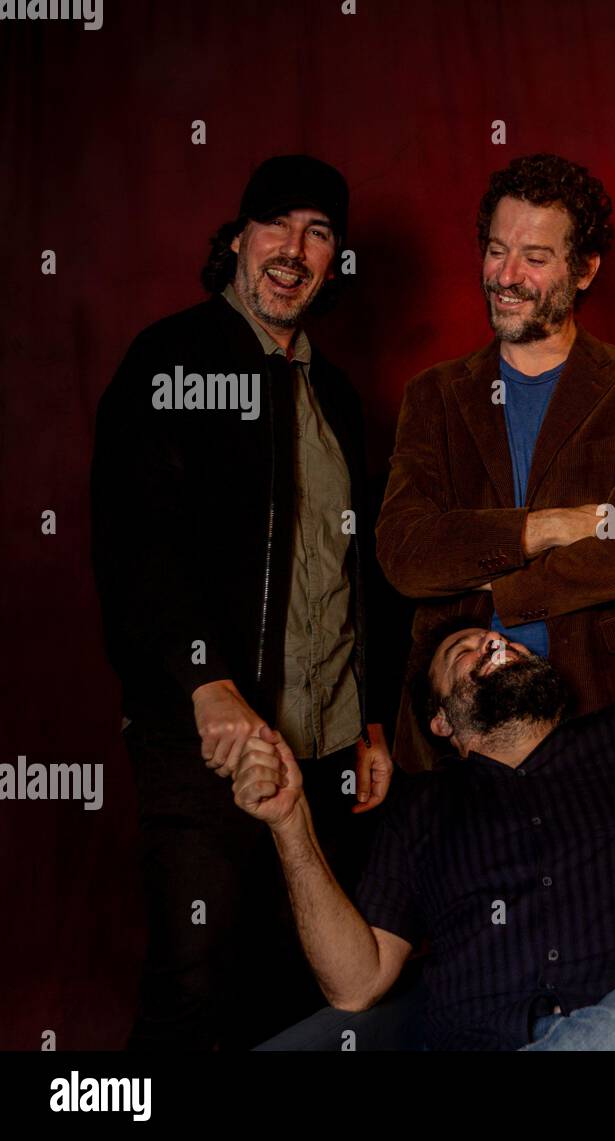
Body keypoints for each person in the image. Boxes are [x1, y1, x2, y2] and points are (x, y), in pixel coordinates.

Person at [90, 155, 395, 1051]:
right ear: (236, 239)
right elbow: (134, 548)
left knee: (305, 985)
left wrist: (372, 719)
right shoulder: (170, 359)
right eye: (277, 224)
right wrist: (206, 683)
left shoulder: (335, 393)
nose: (296, 249)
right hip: (210, 736)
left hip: (330, 744)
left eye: (321, 233)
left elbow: (353, 572)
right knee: (200, 977)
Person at [232, 619, 615, 1050]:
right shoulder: (423, 810)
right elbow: (356, 986)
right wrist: (290, 824)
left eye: (505, 640)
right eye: (463, 652)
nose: (494, 640)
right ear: (442, 723)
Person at [377, 153, 615, 772]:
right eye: (497, 251)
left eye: (536, 258)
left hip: (611, 708)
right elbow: (405, 556)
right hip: (460, 734)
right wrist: (546, 527)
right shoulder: (433, 395)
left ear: (584, 271)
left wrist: (491, 575)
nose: (507, 275)